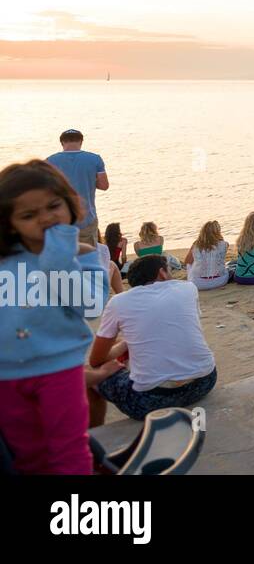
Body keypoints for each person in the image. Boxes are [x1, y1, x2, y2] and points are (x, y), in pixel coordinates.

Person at [0, 160, 109, 474]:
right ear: (10, 223)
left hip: (59, 368)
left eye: (53, 206)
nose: (46, 219)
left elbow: (89, 307)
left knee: (70, 447)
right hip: (6, 375)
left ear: (70, 204)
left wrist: (59, 261)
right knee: (27, 452)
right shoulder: (5, 261)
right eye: (29, 215)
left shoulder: (85, 254)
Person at [86, 254, 217, 425]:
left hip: (149, 401)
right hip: (204, 382)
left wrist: (123, 345)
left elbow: (96, 359)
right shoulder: (188, 288)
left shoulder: (118, 302)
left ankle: (96, 434)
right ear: (162, 273)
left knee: (90, 375)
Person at [45, 130, 108, 244]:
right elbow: (104, 186)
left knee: (63, 255)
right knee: (88, 257)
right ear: (81, 141)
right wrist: (88, 180)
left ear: (62, 142)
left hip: (60, 219)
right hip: (87, 217)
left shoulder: (50, 161)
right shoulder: (95, 159)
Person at [184, 220, 229, 290]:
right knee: (223, 265)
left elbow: (187, 261)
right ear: (218, 232)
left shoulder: (196, 245)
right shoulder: (225, 244)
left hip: (198, 284)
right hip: (220, 281)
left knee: (189, 264)